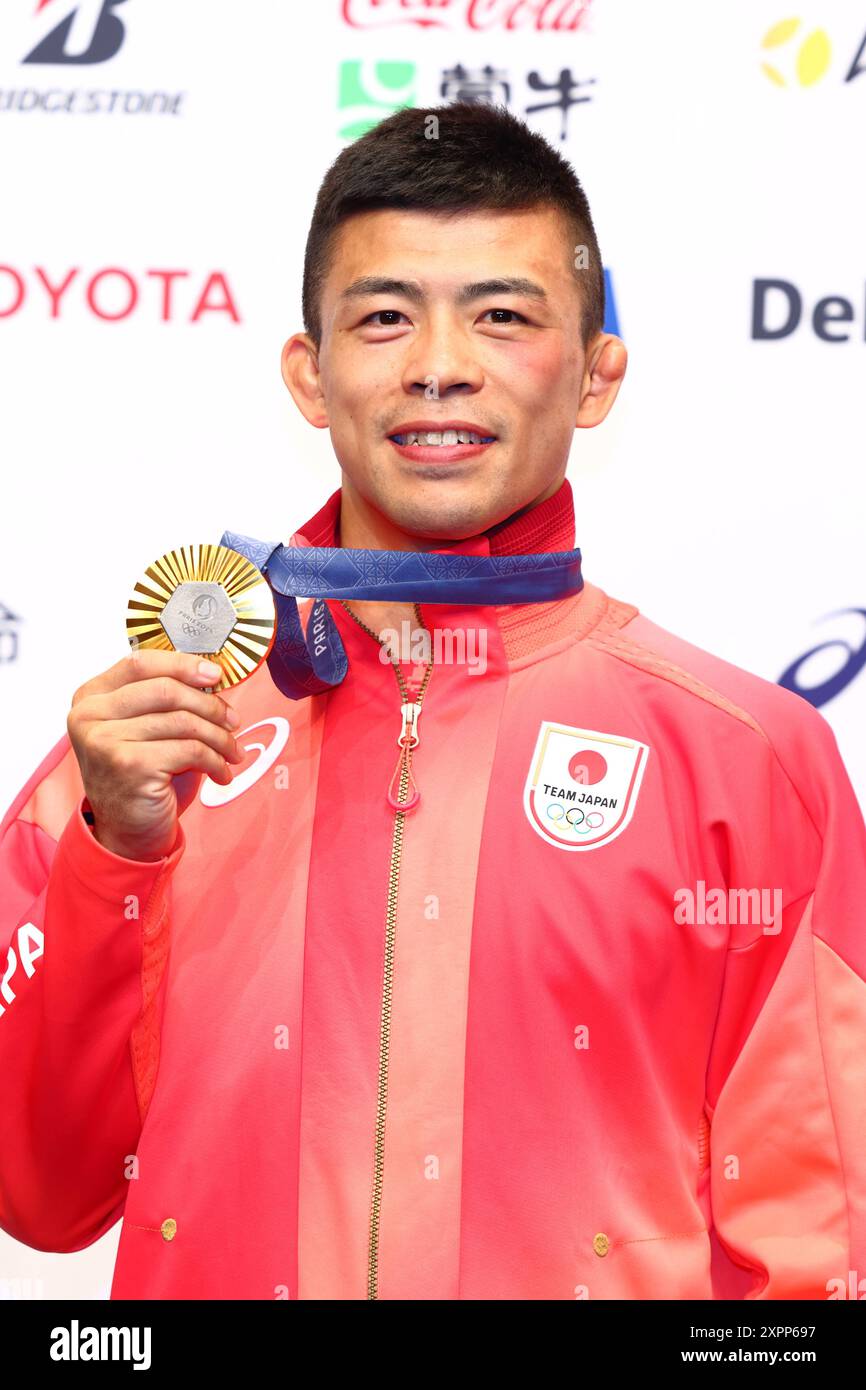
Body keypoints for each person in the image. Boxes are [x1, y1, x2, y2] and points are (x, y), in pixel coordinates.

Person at [1, 102, 864, 1301]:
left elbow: (817, 1254)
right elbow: (39, 1193)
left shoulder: (744, 757)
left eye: (503, 315)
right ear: (309, 374)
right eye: (383, 316)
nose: (438, 363)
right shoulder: (144, 752)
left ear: (596, 371)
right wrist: (113, 860)